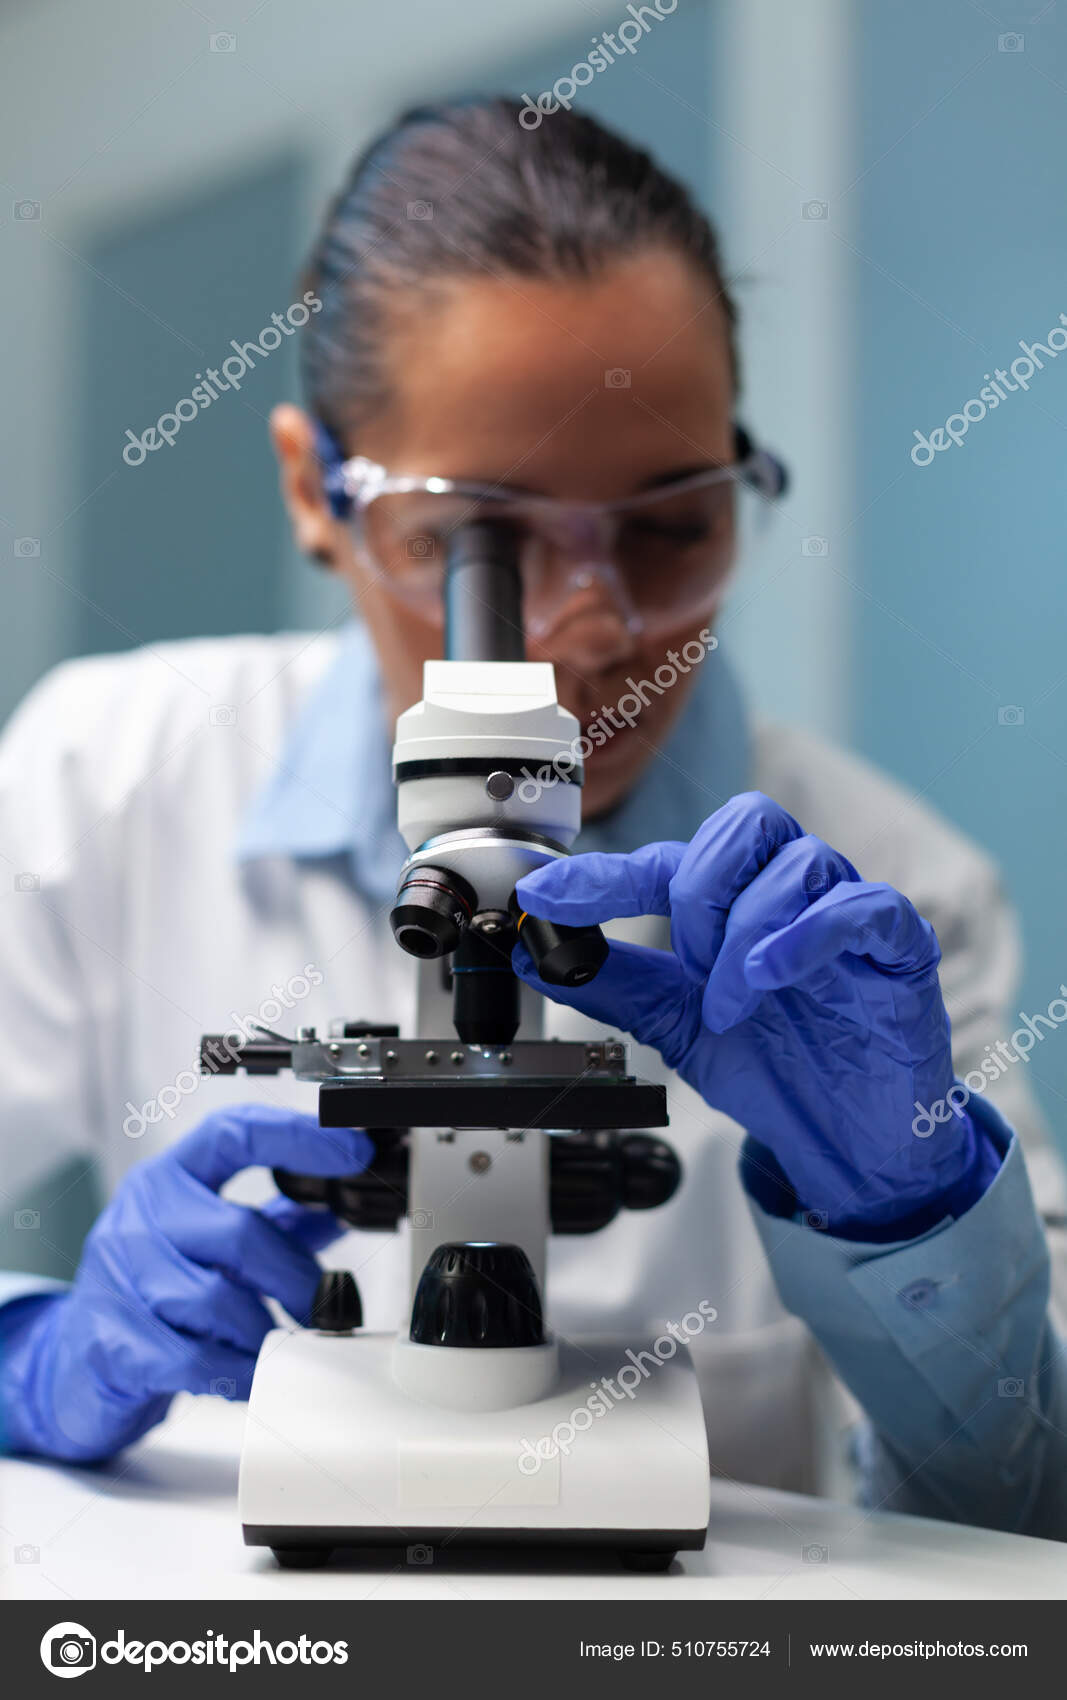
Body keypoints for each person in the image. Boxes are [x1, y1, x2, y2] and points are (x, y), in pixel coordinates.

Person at [1, 98, 1065, 1535]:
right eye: (481, 542)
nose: (589, 626)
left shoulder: (894, 903)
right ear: (318, 490)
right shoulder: (106, 776)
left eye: (670, 525)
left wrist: (912, 1226)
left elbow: (1029, 1519)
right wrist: (34, 1360)